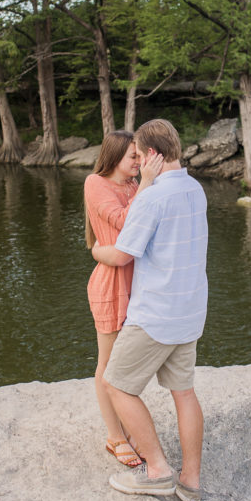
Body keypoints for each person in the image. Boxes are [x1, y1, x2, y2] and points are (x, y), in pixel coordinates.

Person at [91, 118, 208, 501]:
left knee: (116, 383)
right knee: (184, 393)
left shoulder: (153, 197)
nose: (137, 162)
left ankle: (157, 471)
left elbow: (124, 252)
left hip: (156, 313)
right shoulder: (196, 189)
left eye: (139, 155)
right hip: (190, 312)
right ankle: (190, 482)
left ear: (153, 154)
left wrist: (95, 252)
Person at [83, 130, 163, 469]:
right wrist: (145, 183)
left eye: (140, 157)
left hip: (139, 283)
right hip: (112, 285)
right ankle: (114, 436)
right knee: (109, 364)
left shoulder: (135, 185)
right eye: (133, 156)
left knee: (128, 363)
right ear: (115, 156)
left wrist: (144, 183)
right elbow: (124, 221)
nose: (139, 162)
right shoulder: (95, 182)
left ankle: (128, 427)